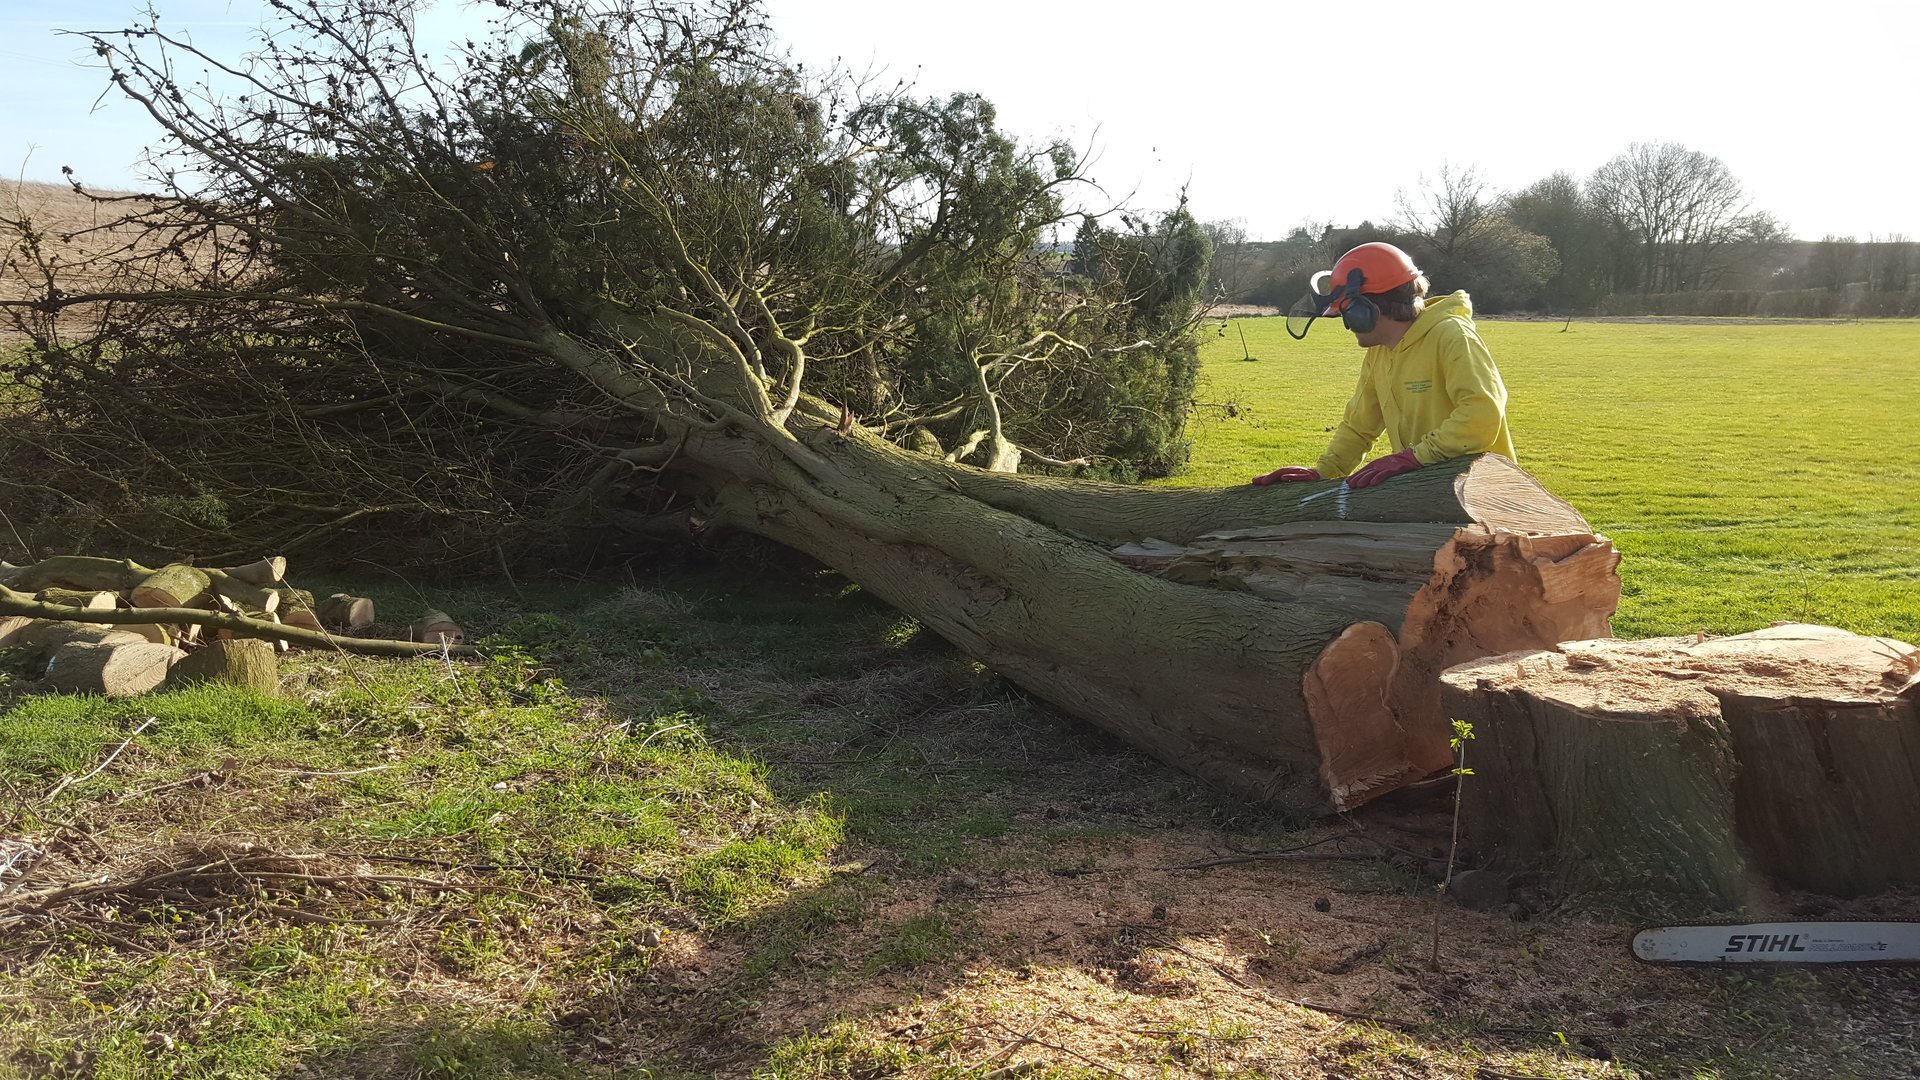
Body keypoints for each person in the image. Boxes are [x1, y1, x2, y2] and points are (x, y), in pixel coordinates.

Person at [1251, 242, 1515, 489]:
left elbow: (1482, 413)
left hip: (1485, 494)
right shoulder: (1380, 351)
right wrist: (1323, 472)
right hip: (1431, 491)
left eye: (1345, 313)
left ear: (1365, 310)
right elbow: (1359, 426)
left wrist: (1414, 457)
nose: (1346, 324)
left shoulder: (1452, 336)